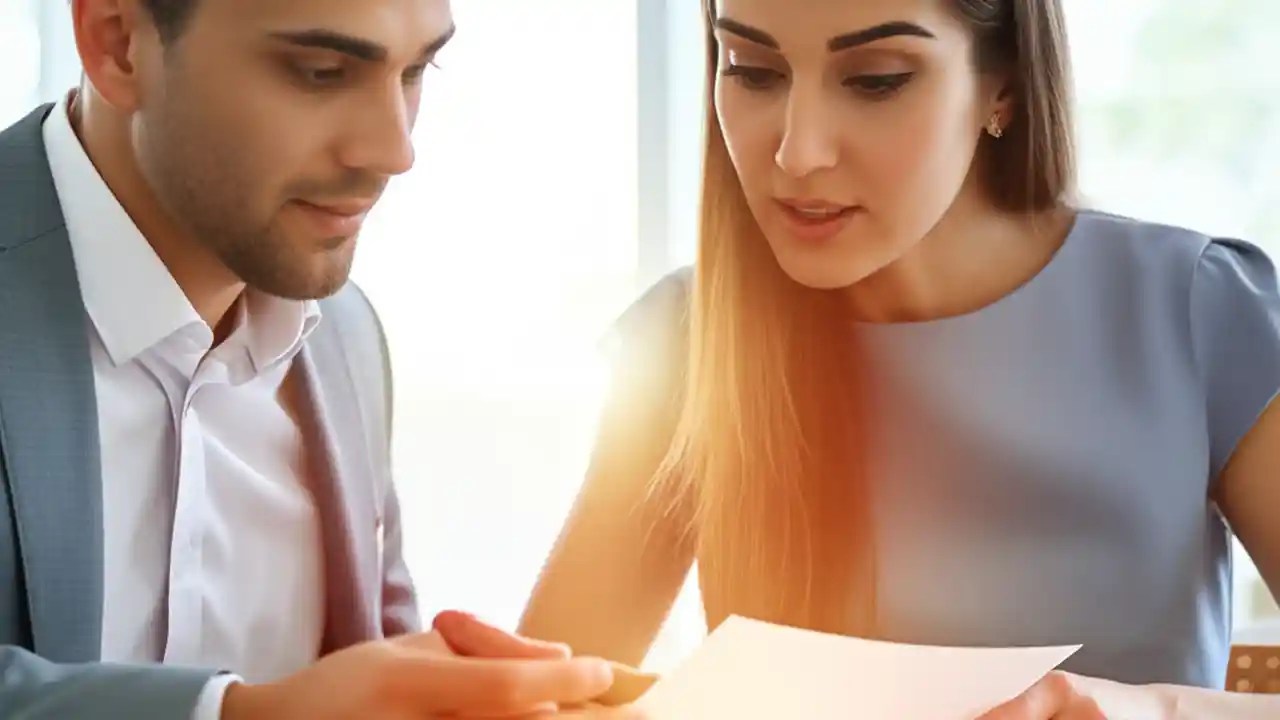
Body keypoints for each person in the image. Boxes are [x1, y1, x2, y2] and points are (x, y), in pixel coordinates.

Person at [518, 0, 1280, 717]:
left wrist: (1141, 709)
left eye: (876, 81)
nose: (797, 150)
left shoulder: (1194, 309)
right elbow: (548, 694)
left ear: (1003, 89)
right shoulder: (688, 342)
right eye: (751, 69)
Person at [0, 1, 634, 718]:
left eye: (417, 71)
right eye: (320, 73)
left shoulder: (346, 334)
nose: (394, 150)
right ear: (118, 45)